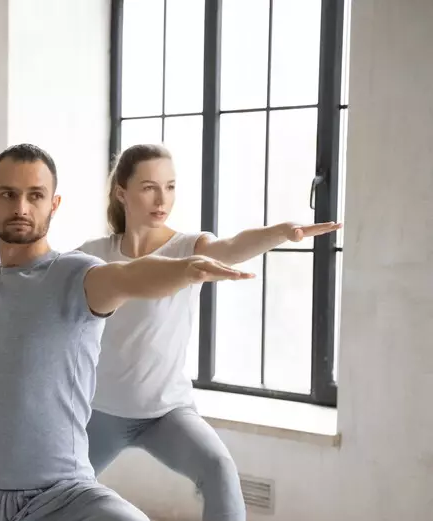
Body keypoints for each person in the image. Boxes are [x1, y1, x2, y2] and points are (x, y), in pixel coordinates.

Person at [0, 144, 253, 521]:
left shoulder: (77, 275)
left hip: (59, 497)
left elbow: (131, 276)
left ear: (53, 205)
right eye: (8, 194)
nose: (21, 206)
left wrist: (184, 268)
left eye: (35, 196)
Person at [75, 144, 342, 521]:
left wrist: (282, 232)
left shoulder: (187, 246)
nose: (161, 198)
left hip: (165, 411)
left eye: (170, 187)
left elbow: (231, 247)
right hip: (101, 409)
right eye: (150, 187)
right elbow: (52, 300)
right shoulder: (93, 254)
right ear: (122, 192)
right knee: (49, 486)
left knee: (218, 469)